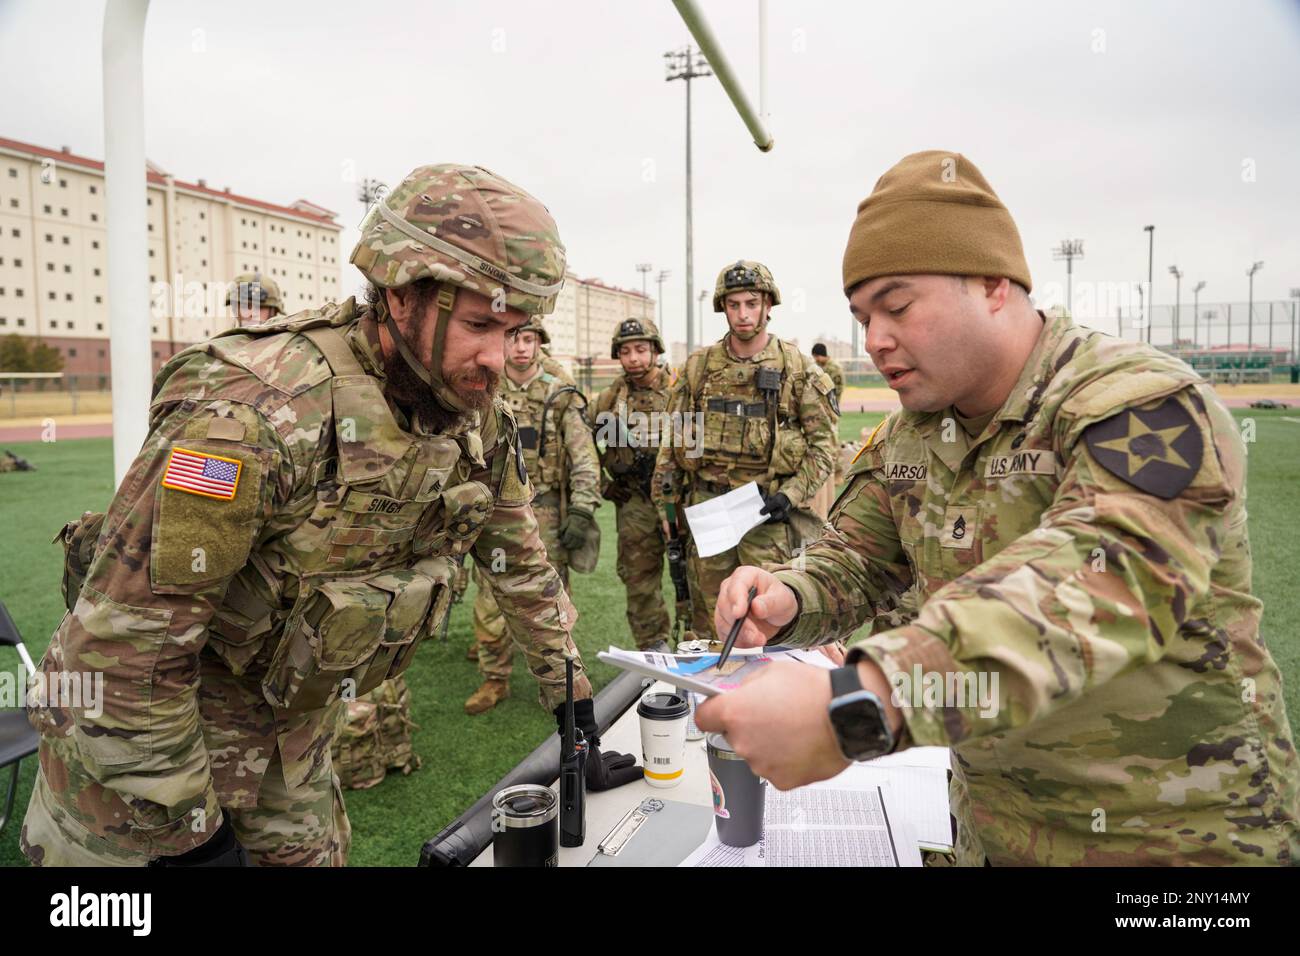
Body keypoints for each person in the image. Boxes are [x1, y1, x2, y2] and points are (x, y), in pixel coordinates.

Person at [21, 164, 636, 868]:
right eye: (478, 325)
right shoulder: (253, 411)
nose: (498, 358)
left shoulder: (475, 418)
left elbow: (521, 564)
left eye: (517, 330)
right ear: (401, 296)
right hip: (139, 784)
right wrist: (194, 842)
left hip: (289, 753)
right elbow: (122, 650)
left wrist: (575, 710)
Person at [696, 150, 1300, 866]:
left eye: (896, 306)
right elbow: (859, 558)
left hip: (1171, 842)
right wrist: (786, 596)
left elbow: (1100, 580)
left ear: (993, 285)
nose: (876, 339)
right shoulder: (910, 434)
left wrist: (865, 700)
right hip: (994, 828)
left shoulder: (1136, 402)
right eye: (862, 317)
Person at [652, 260, 838, 638]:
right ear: (724, 308)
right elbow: (672, 444)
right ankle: (713, 694)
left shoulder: (797, 370)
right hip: (709, 515)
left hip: (766, 517)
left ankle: (767, 695)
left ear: (768, 305)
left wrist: (790, 496)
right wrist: (666, 507)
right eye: (734, 305)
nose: (743, 314)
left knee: (765, 620)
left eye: (751, 303)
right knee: (709, 619)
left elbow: (824, 449)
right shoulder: (698, 367)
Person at [465, 316, 601, 714]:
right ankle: (495, 678)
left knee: (549, 603)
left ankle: (564, 682)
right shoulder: (484, 389)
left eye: (529, 339)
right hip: (493, 512)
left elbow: (584, 457)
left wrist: (581, 509)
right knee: (489, 599)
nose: (522, 347)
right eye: (514, 339)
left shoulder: (561, 395)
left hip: (547, 514)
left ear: (540, 343)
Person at [591, 317, 674, 651]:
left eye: (641, 349)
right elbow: (578, 445)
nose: (634, 358)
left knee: (696, 579)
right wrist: (603, 484)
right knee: (639, 583)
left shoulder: (680, 391)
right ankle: (653, 653)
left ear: (655, 351)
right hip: (635, 504)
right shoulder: (609, 400)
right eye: (625, 351)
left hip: (676, 501)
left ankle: (702, 649)